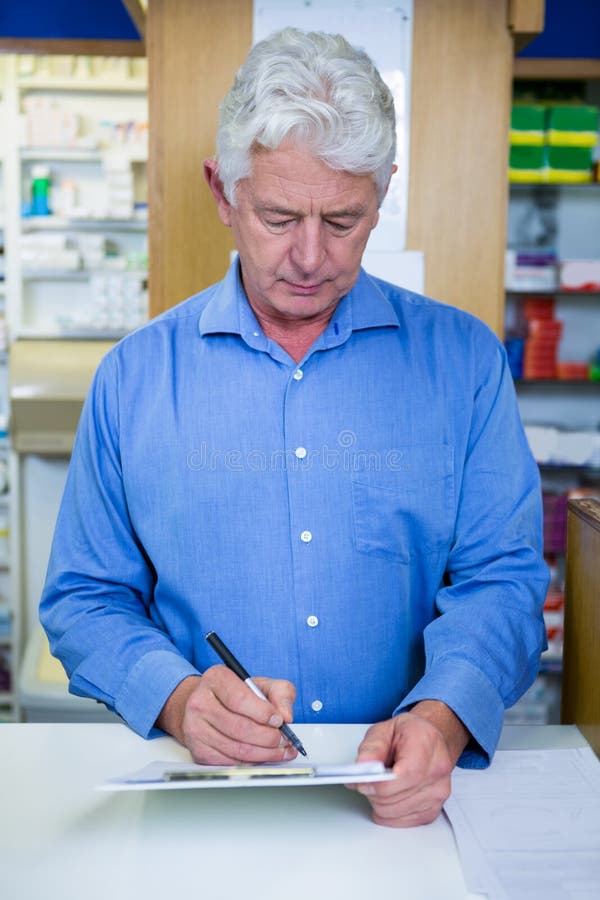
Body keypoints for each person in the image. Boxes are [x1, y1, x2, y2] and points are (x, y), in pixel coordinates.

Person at [40, 28, 548, 828]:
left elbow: (504, 581)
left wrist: (441, 718)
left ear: (384, 194)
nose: (311, 257)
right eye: (279, 217)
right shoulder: (134, 379)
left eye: (343, 221)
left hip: (409, 803)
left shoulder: (465, 363)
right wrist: (176, 700)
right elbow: (84, 597)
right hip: (201, 807)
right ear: (222, 192)